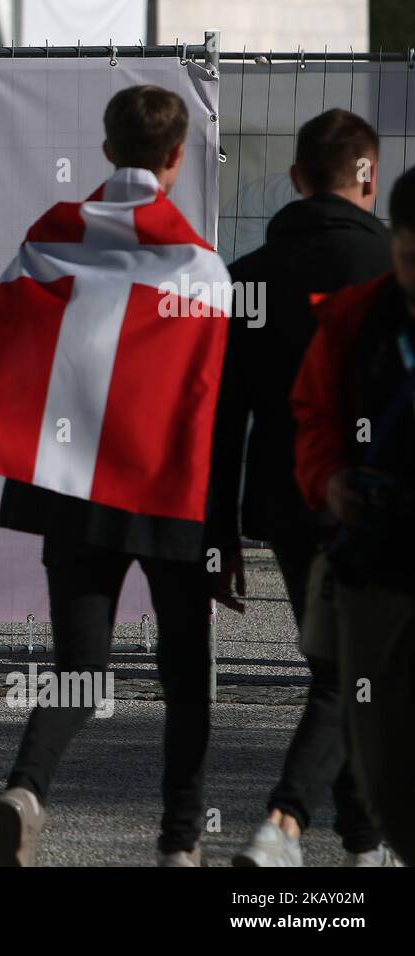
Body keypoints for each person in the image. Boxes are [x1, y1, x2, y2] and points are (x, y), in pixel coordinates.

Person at [0, 85, 230, 866]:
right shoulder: (203, 270)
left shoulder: (51, 238)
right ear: (177, 160)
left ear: (107, 150)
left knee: (79, 669)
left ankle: (25, 789)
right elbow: (212, 404)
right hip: (169, 491)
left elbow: (4, 336)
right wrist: (224, 526)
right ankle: (179, 845)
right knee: (186, 676)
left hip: (72, 485)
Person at [210, 109, 398, 866]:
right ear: (369, 176)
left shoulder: (246, 278)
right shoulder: (392, 270)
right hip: (379, 504)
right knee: (352, 676)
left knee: (340, 670)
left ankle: (358, 842)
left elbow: (223, 424)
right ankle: (289, 827)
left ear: (294, 180)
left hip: (286, 505)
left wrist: (216, 534)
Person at [290, 164, 415, 865]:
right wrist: (329, 477)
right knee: (384, 771)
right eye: (410, 260)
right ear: (394, 242)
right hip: (378, 567)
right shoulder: (353, 319)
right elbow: (310, 414)